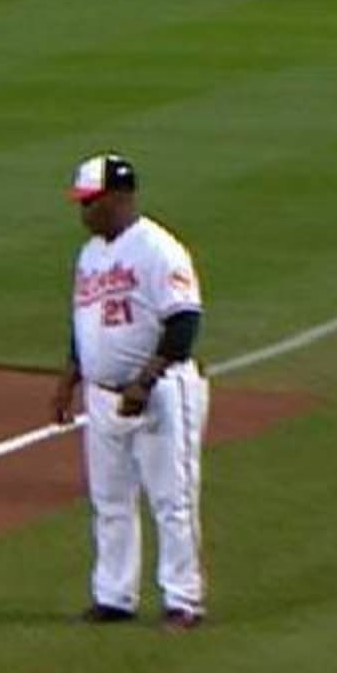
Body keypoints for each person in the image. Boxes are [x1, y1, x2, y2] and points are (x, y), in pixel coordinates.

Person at [47, 153, 210, 631]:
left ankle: (183, 600)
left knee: (172, 499)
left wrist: (145, 380)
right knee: (110, 499)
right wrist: (69, 379)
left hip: (161, 393)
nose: (84, 212)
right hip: (103, 396)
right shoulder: (91, 253)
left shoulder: (159, 249)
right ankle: (114, 596)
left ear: (120, 197)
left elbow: (184, 322)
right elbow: (85, 323)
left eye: (91, 202)